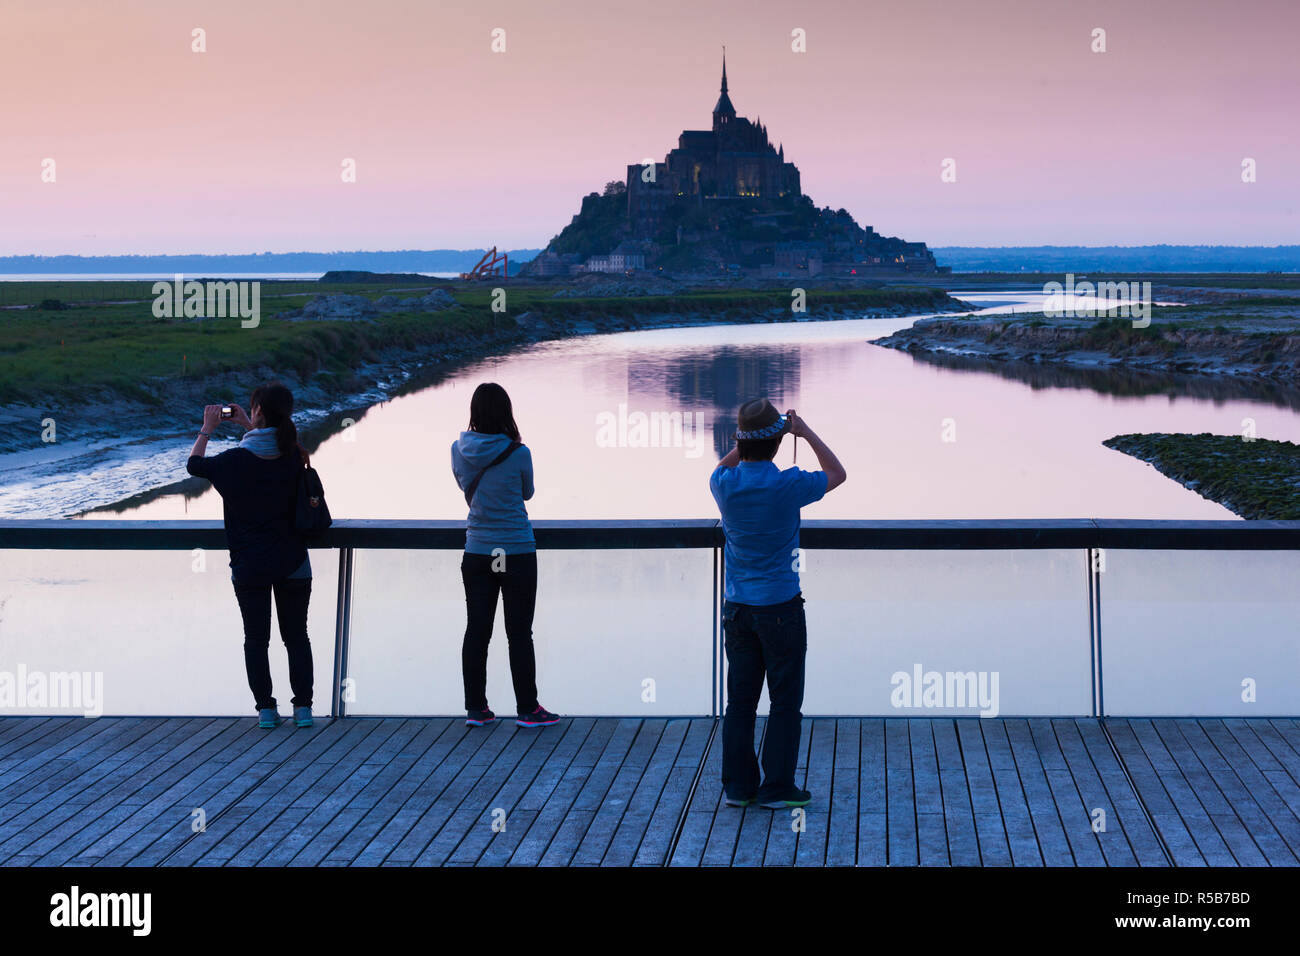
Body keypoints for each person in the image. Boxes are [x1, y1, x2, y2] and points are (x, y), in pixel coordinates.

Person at [709, 399, 846, 810]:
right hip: (781, 608)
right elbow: (837, 474)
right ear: (775, 443)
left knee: (740, 702)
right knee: (784, 701)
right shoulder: (788, 484)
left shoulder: (724, 485)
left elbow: (723, 466)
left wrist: (755, 437)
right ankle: (777, 787)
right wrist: (801, 431)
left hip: (737, 609)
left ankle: (739, 788)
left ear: (739, 442)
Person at [186, 383, 314, 730]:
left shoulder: (234, 463)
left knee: (257, 639)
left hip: (249, 564)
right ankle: (303, 710)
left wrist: (207, 429)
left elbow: (194, 465)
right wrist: (250, 424)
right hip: (293, 561)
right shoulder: (292, 455)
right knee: (296, 636)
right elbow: (281, 448)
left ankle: (266, 711)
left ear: (257, 410)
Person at [450, 383, 559, 729]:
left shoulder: (458, 450)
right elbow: (527, 492)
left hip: (479, 550)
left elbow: (464, 485)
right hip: (514, 550)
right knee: (519, 633)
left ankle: (476, 709)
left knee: (477, 631)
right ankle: (528, 709)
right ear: (506, 412)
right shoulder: (519, 453)